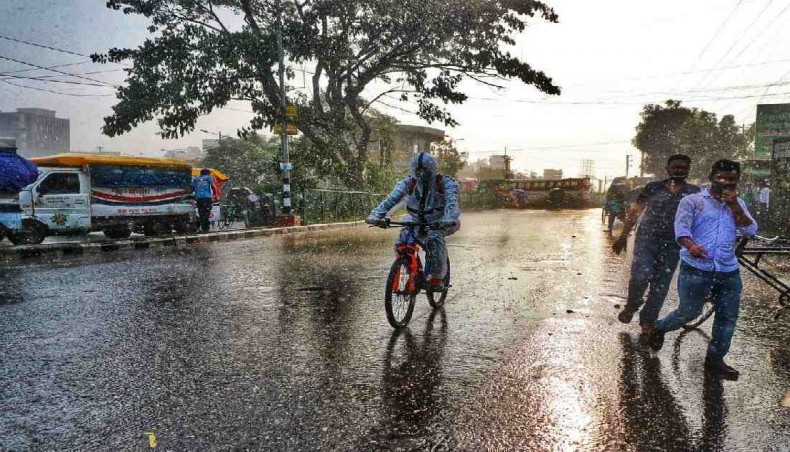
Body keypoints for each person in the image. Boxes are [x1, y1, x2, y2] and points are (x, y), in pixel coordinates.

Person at [649, 159, 757, 380]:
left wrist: (735, 205)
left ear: (737, 181)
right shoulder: (693, 201)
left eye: (731, 179)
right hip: (696, 268)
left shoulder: (738, 203)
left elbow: (750, 229)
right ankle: (659, 328)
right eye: (721, 177)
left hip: (728, 271)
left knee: (728, 317)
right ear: (711, 177)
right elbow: (681, 229)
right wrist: (691, 246)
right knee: (689, 312)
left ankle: (715, 360)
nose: (726, 182)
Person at [613, 154, 700, 343]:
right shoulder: (653, 188)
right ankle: (632, 305)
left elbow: (701, 221)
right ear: (667, 169)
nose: (679, 170)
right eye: (675, 167)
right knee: (640, 276)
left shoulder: (695, 193)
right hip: (646, 241)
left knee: (660, 287)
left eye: (683, 167)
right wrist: (622, 236)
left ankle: (647, 324)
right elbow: (636, 211)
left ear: (688, 170)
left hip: (673, 245)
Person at [366, 152, 461, 290]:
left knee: (434, 238)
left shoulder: (445, 182)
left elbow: (452, 203)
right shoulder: (409, 182)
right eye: (418, 170)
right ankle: (408, 267)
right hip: (416, 219)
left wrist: (448, 219)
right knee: (404, 239)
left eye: (425, 170)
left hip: (440, 220)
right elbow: (392, 199)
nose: (422, 174)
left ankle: (436, 277)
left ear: (432, 169)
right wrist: (376, 215)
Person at [192, 168, 214, 233]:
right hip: (207, 197)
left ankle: (201, 227)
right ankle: (205, 228)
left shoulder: (195, 179)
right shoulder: (209, 178)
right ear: (208, 173)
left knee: (201, 213)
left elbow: (192, 188)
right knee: (206, 213)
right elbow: (213, 186)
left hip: (199, 198)